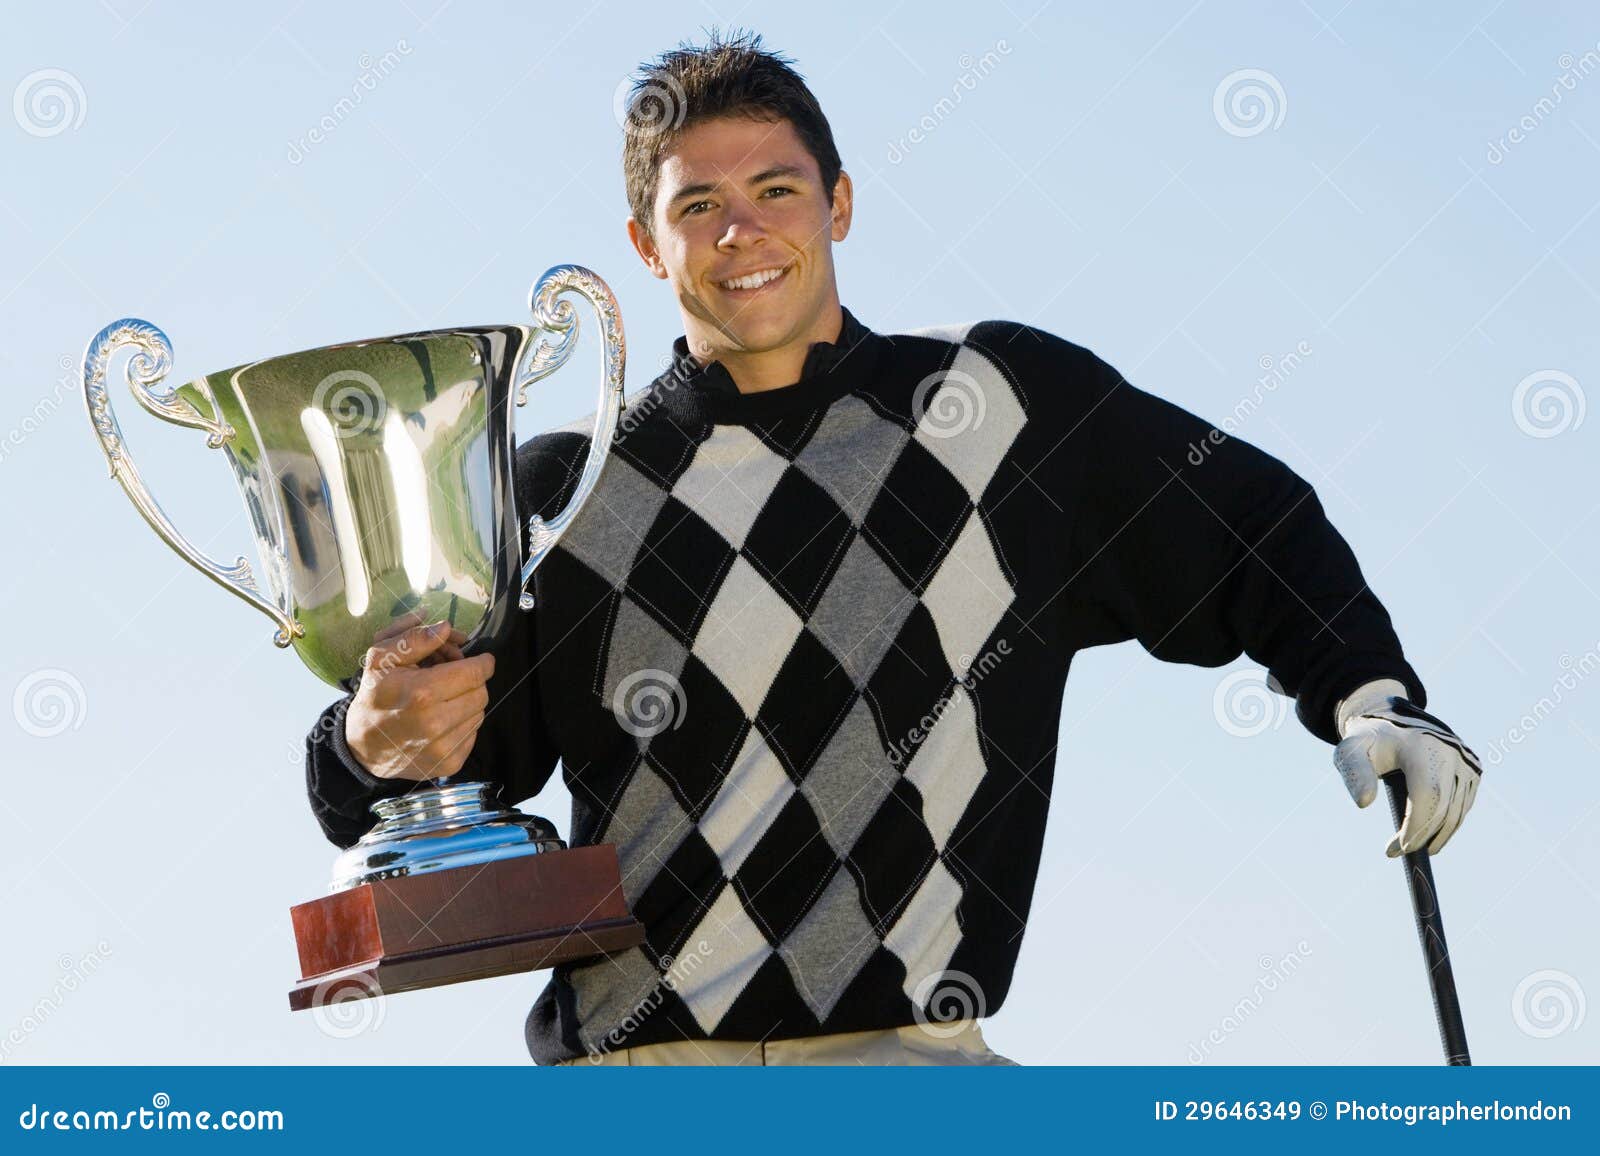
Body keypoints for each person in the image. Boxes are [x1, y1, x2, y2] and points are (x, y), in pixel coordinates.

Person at [304, 30, 1481, 1066]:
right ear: (645, 244)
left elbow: (1253, 525)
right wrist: (368, 741)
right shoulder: (565, 489)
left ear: (841, 204)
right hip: (631, 1081)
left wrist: (1371, 695)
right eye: (697, 206)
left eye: (776, 189)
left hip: (911, 1074)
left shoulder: (1003, 409)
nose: (742, 231)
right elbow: (418, 779)